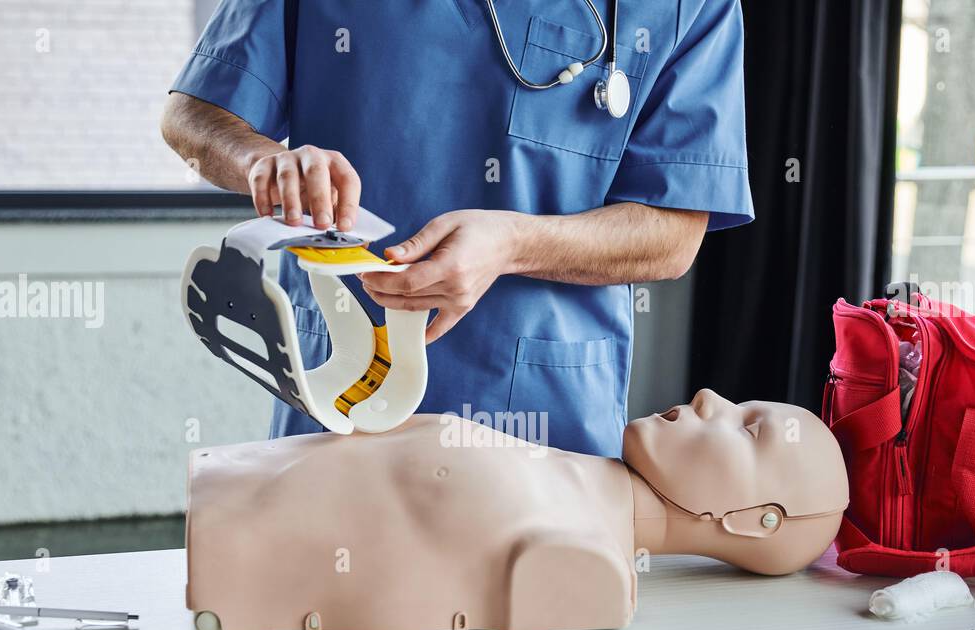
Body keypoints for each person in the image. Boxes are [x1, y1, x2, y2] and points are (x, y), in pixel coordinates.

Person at [162, 0, 753, 456]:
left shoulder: (695, 8)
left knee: (546, 604)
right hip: (342, 383)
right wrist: (262, 162)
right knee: (326, 598)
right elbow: (194, 112)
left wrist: (513, 245)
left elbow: (673, 232)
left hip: (548, 420)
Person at [185, 390, 849, 630]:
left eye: (747, 428)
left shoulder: (584, 568)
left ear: (751, 519)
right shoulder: (572, 481)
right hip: (230, 488)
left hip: (229, 560)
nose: (710, 399)